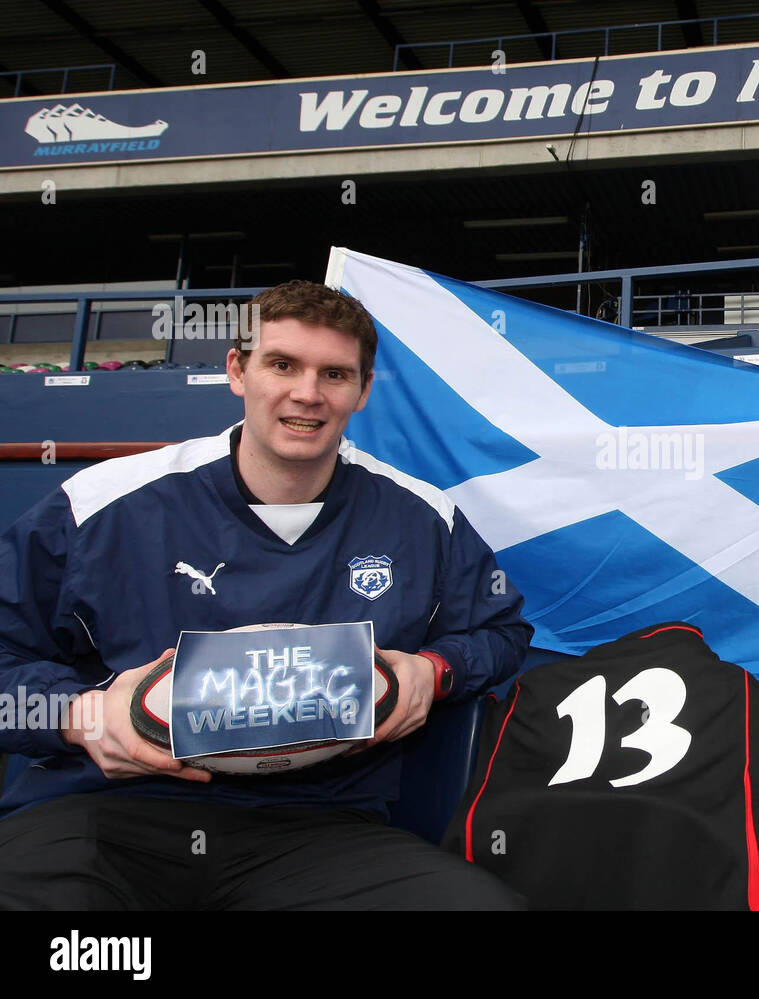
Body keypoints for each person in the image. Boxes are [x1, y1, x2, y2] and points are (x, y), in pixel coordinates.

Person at [0, 281, 533, 909]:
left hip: (316, 825)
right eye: (282, 365)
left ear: (362, 392)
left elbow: (500, 633)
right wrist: (78, 716)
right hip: (106, 813)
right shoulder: (100, 506)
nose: (307, 393)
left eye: (335, 374)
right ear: (237, 370)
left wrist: (435, 672)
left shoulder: (423, 519)